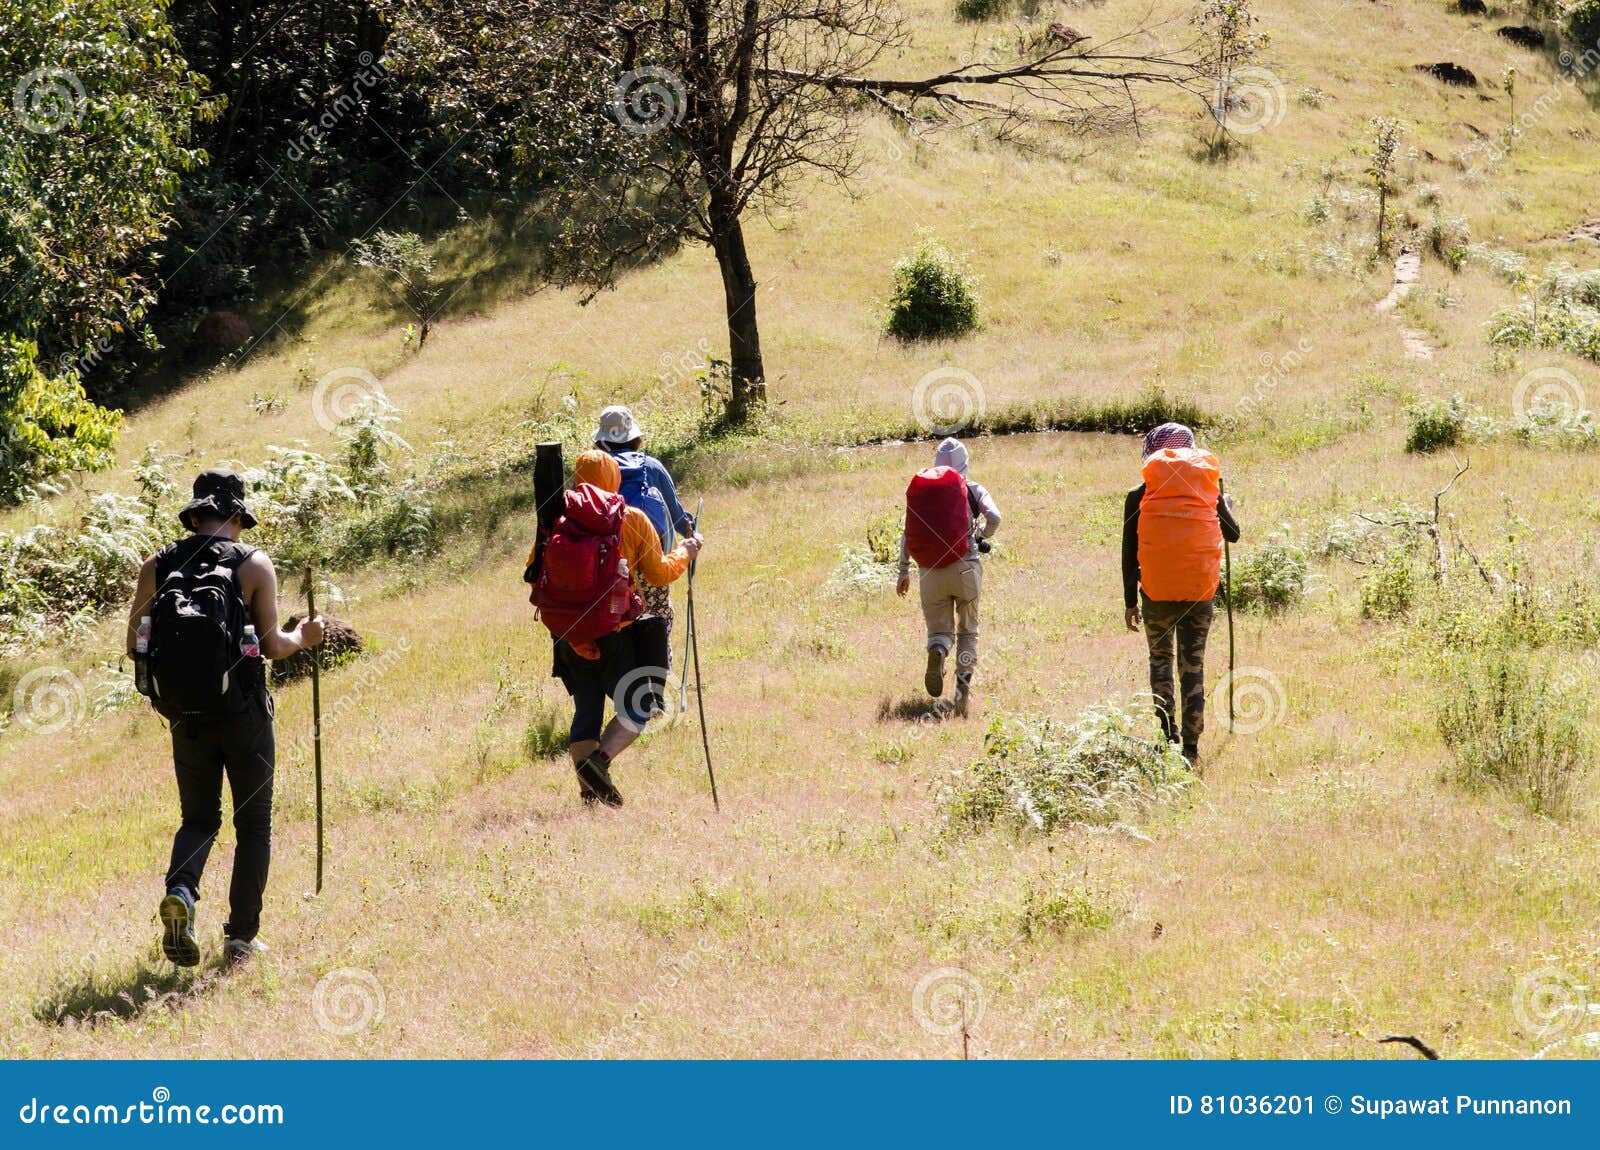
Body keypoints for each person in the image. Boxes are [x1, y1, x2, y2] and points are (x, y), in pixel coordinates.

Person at [125, 470, 324, 967]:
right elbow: (275, 646)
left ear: (193, 515)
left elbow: (134, 644)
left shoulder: (158, 564)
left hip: (185, 717)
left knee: (198, 819)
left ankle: (183, 895)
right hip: (245, 715)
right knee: (253, 823)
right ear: (237, 517)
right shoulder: (254, 564)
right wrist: (308, 637)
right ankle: (240, 937)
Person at [531, 449, 703, 808]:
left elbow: (533, 571)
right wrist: (685, 551)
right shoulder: (631, 517)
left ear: (576, 479)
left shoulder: (556, 519)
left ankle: (589, 796)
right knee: (638, 706)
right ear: (613, 479)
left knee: (587, 711)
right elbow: (658, 574)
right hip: (615, 630)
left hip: (567, 633)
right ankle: (600, 763)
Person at [1121, 423, 1241, 765]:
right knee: (1193, 668)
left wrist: (1130, 600)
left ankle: (1167, 735)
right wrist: (1224, 501)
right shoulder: (1207, 488)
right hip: (1199, 593)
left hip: (1155, 594)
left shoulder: (1138, 494)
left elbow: (1129, 553)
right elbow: (1233, 534)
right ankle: (1190, 748)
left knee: (1160, 662)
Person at [896, 437, 1002, 717]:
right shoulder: (972, 488)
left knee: (940, 632)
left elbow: (907, 534)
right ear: (965, 462)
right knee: (968, 631)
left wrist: (904, 571)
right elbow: (995, 518)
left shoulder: (923, 493)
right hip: (965, 568)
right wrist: (979, 536)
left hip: (930, 573)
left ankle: (939, 650)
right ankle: (962, 694)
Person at [592, 405, 696, 630]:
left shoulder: (593, 470)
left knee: (615, 623)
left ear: (601, 440)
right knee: (656, 622)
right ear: (634, 437)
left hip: (607, 561)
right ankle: (656, 662)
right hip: (650, 558)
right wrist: (691, 534)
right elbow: (678, 518)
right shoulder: (651, 466)